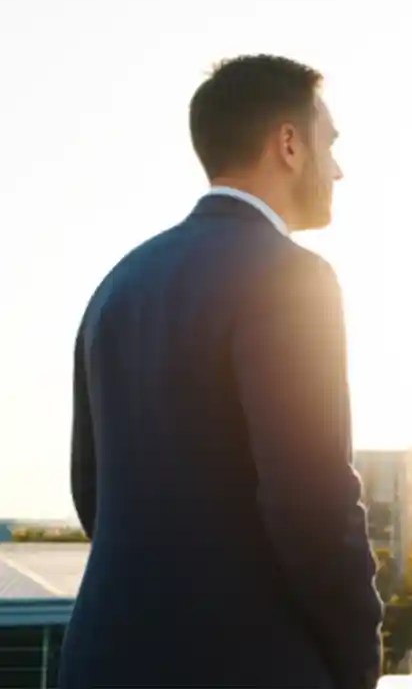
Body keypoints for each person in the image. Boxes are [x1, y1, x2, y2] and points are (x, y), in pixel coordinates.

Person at [60, 55, 384, 689]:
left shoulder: (119, 282)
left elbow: (92, 487)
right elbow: (313, 499)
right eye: (330, 143)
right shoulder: (293, 277)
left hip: (103, 660)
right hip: (249, 666)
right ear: (289, 144)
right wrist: (356, 661)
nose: (339, 168)